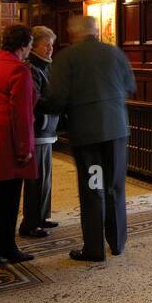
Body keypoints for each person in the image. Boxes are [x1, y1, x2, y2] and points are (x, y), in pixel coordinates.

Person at [38, 14, 137, 262]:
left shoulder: (67, 57)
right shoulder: (115, 53)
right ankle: (117, 243)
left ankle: (94, 248)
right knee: (115, 187)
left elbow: (57, 98)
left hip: (88, 134)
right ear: (95, 30)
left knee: (94, 188)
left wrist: (43, 108)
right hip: (116, 130)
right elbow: (130, 85)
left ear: (74, 32)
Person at [0, 24, 38, 265]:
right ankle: (6, 247)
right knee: (10, 197)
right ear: (23, 45)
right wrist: (25, 149)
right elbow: (21, 114)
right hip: (9, 141)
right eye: (30, 45)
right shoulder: (18, 70)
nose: (30, 50)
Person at [19, 26, 60, 239]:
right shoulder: (32, 68)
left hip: (47, 129)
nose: (50, 49)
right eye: (46, 44)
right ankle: (31, 222)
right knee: (37, 178)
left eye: (52, 44)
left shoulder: (45, 66)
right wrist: (58, 103)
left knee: (46, 178)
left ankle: (42, 216)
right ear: (34, 46)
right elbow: (36, 100)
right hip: (38, 130)